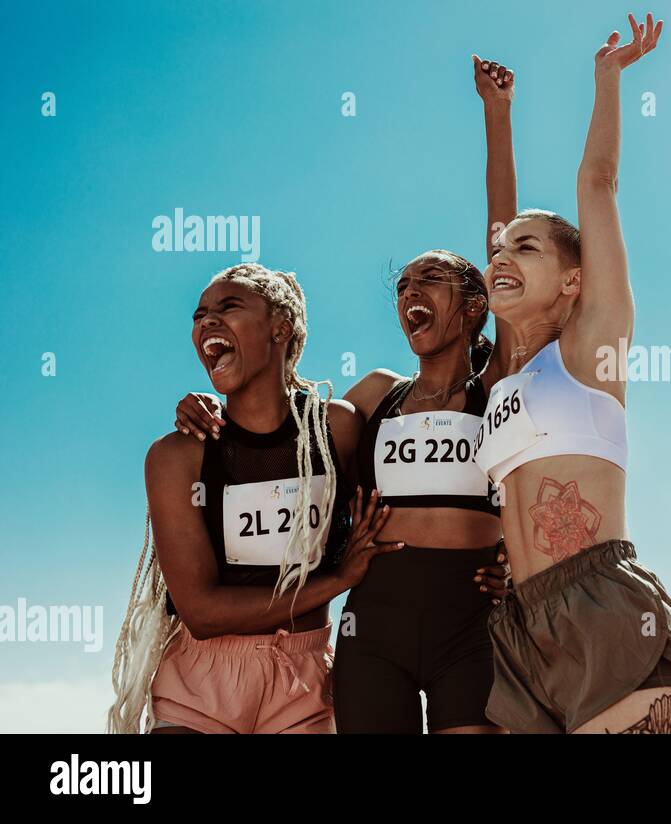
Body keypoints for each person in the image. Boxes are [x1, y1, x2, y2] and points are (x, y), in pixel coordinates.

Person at [167, 57, 521, 733]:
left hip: (470, 619)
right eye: (403, 287)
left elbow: (504, 253)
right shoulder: (379, 393)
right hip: (373, 619)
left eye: (432, 282)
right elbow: (278, 411)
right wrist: (207, 401)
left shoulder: (498, 380)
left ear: (476, 307)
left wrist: (496, 115)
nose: (411, 293)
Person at [474, 13, 671, 734]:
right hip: (520, 624)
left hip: (601, 605)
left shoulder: (591, 351)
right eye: (501, 251)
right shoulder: (509, 371)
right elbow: (494, 225)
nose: (503, 257)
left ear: (576, 281)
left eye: (530, 249)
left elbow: (599, 183)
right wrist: (498, 119)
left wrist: (607, 79)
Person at [107, 263, 400, 734]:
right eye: (200, 314)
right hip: (203, 682)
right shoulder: (177, 455)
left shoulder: (336, 429)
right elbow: (201, 613)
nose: (207, 321)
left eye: (228, 306)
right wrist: (338, 580)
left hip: (302, 682)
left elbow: (420, 398)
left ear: (281, 327)